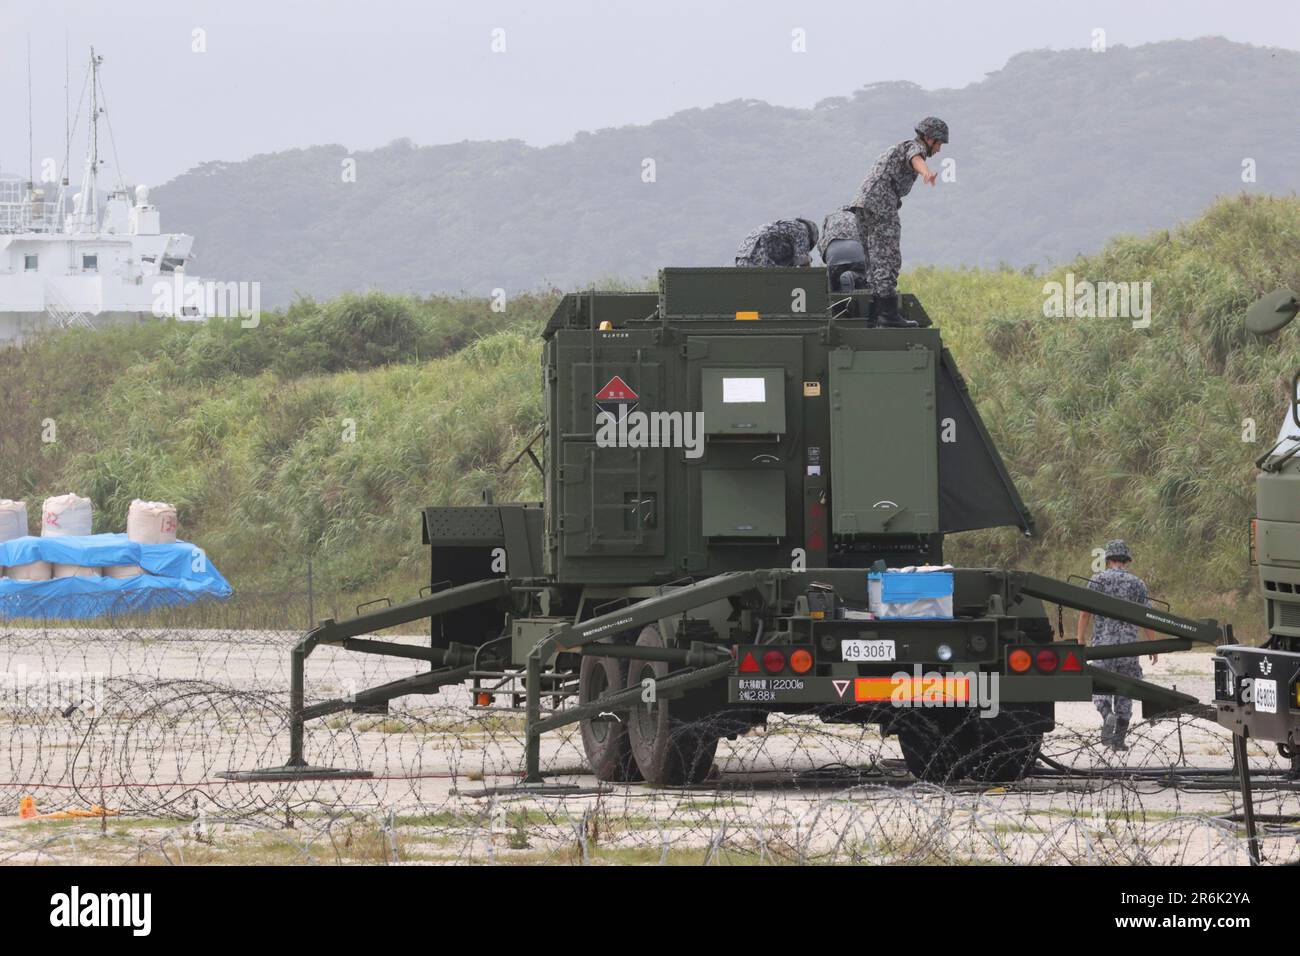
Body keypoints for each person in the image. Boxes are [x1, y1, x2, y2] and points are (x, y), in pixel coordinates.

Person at [849, 116, 947, 327]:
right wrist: (926, 173)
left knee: (873, 262)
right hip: (881, 203)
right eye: (938, 143)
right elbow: (916, 159)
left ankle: (875, 314)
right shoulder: (913, 147)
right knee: (887, 258)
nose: (939, 149)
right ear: (928, 138)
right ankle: (888, 316)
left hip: (863, 204)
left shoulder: (900, 147)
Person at [1074, 539, 1160, 752]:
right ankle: (1119, 740)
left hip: (1104, 646)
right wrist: (1154, 646)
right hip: (1129, 649)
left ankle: (1107, 715)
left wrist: (1080, 638)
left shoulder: (1098, 579)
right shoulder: (1137, 583)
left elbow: (1085, 612)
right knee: (1126, 690)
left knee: (1100, 686)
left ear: (1109, 559)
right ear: (1126, 560)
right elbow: (1146, 617)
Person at [734, 218, 819, 268]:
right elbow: (803, 262)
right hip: (760, 263)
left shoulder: (785, 227)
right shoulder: (802, 230)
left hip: (742, 260)